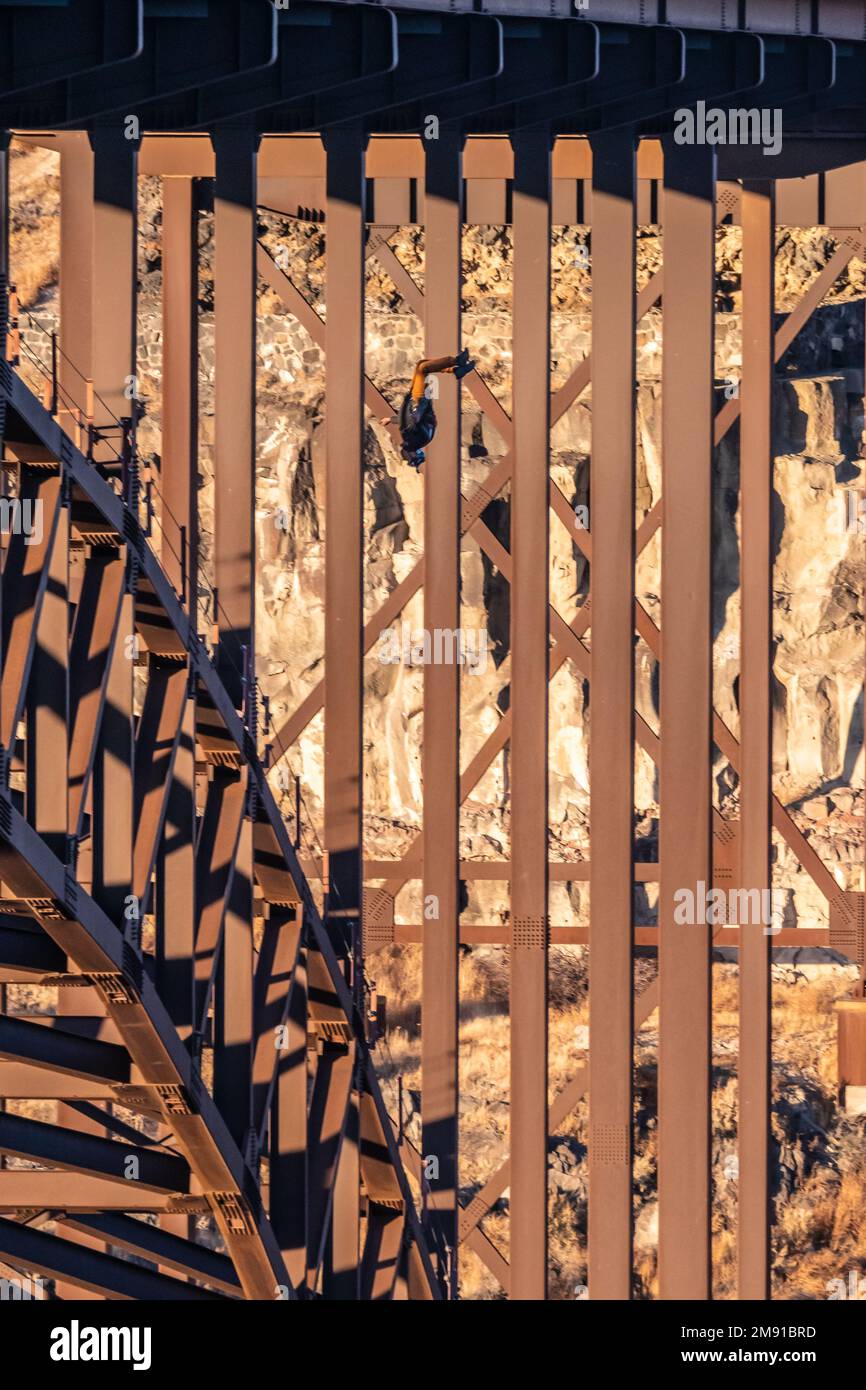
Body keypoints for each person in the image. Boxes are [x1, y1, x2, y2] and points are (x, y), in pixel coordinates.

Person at [395, 349, 476, 470]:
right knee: (423, 368)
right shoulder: (416, 440)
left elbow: (406, 421)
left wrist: (390, 419)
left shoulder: (416, 440)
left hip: (416, 399)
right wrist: (422, 401)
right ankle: (455, 362)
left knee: (421, 365)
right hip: (417, 399)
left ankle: (456, 370)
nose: (421, 453)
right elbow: (415, 419)